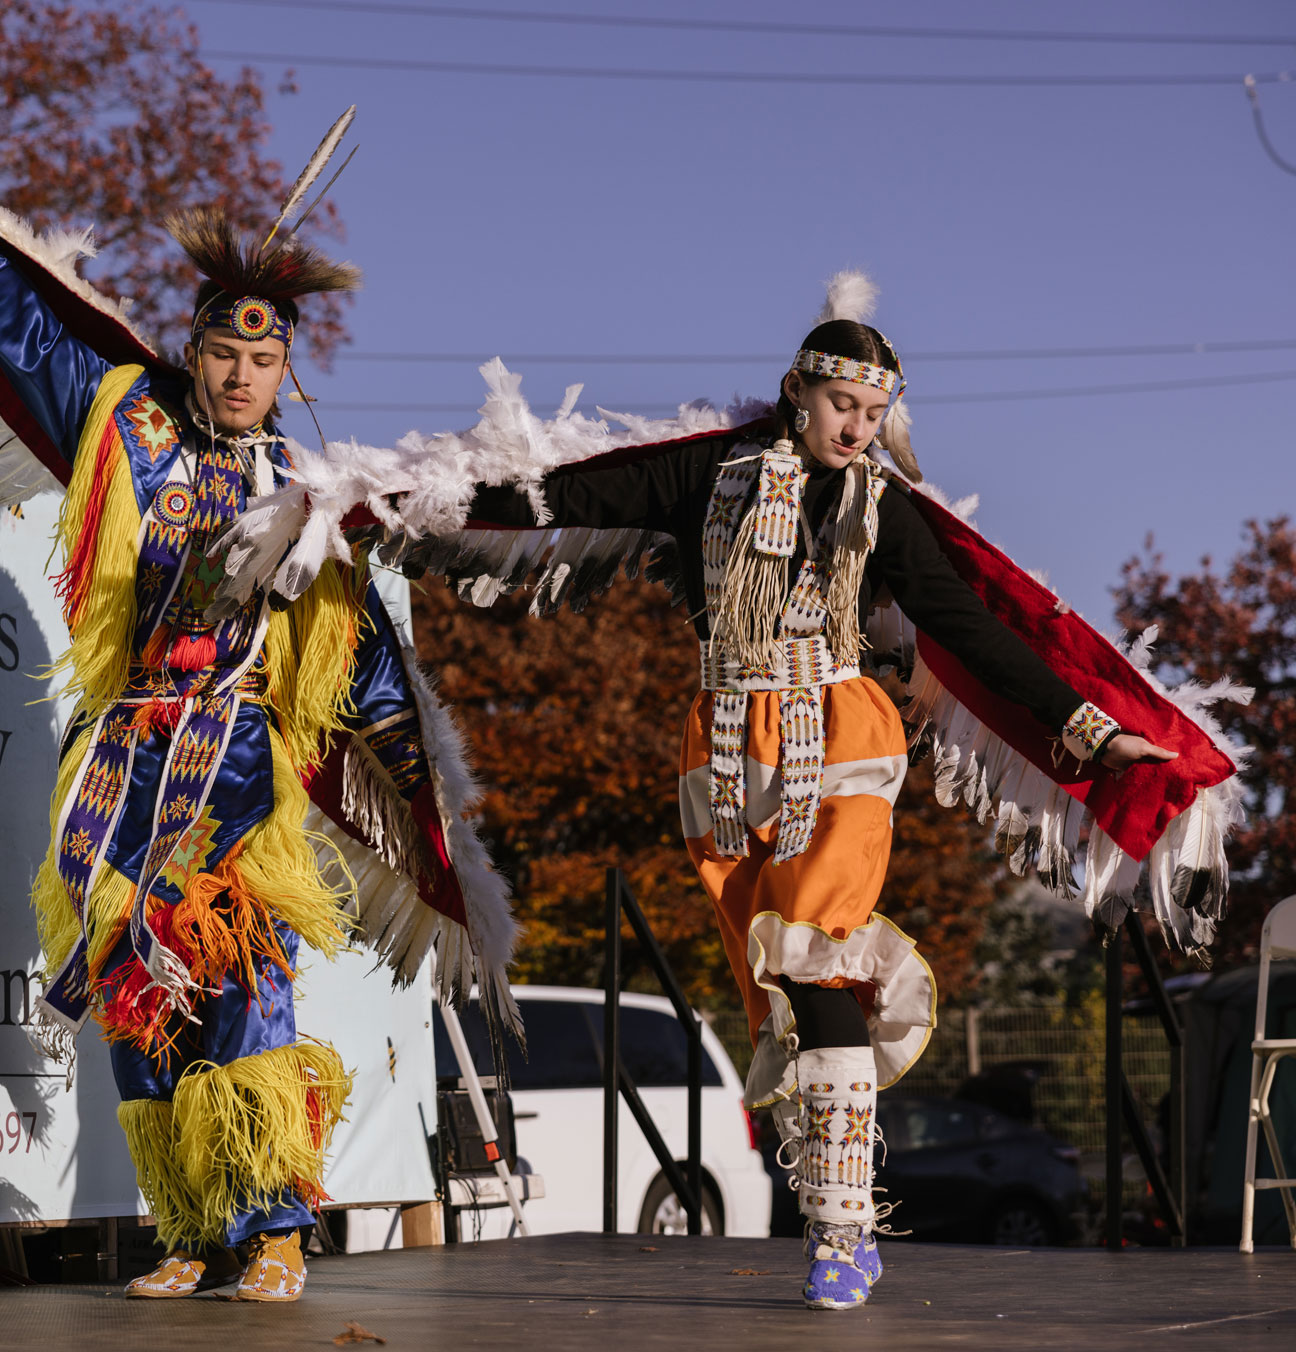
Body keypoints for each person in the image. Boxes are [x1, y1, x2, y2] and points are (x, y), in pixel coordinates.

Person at [209, 272, 1235, 1310]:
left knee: (819, 953)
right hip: (726, 754)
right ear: (796, 390)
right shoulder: (703, 472)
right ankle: (830, 1211)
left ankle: (842, 1230)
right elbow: (561, 496)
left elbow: (966, 627)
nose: (856, 428)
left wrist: (1086, 729)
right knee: (774, 992)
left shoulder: (880, 507)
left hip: (841, 736)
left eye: (873, 412)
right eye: (841, 404)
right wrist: (383, 504)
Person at [0, 27, 518, 1305]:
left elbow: (358, 657)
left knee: (240, 975)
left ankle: (275, 1228)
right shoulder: (122, 419)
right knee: (138, 982)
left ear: (286, 370)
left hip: (236, 756)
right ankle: (188, 1220)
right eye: (223, 355)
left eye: (263, 361)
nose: (240, 376)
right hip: (122, 746)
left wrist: (409, 779)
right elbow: (9, 310)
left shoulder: (306, 491)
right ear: (193, 349)